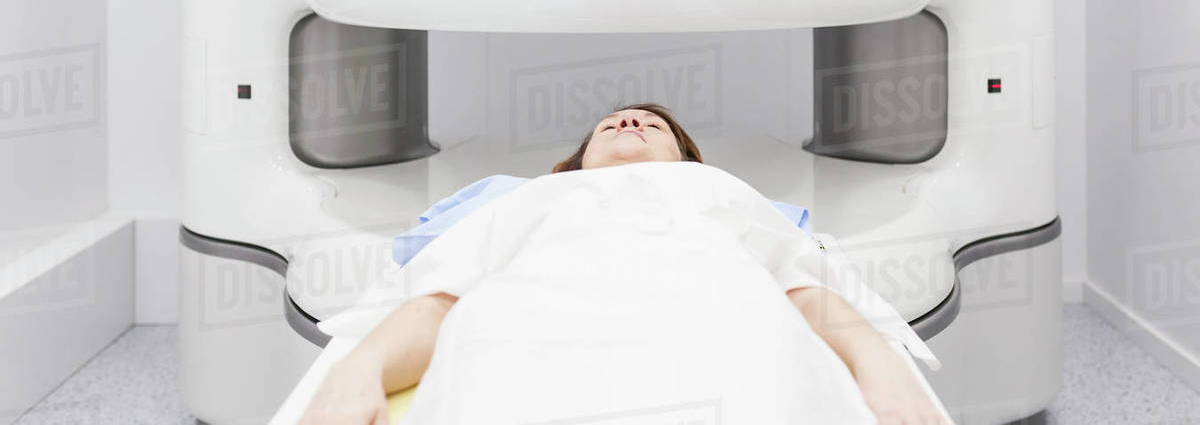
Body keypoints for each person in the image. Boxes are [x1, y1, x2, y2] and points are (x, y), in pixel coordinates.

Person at [299, 104, 948, 425]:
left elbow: (804, 289)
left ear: (688, 162)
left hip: (726, 326)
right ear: (575, 165)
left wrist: (880, 366)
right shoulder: (531, 198)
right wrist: (358, 370)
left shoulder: (719, 192)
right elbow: (440, 302)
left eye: (651, 125)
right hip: (527, 333)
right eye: (610, 126)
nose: (631, 119)